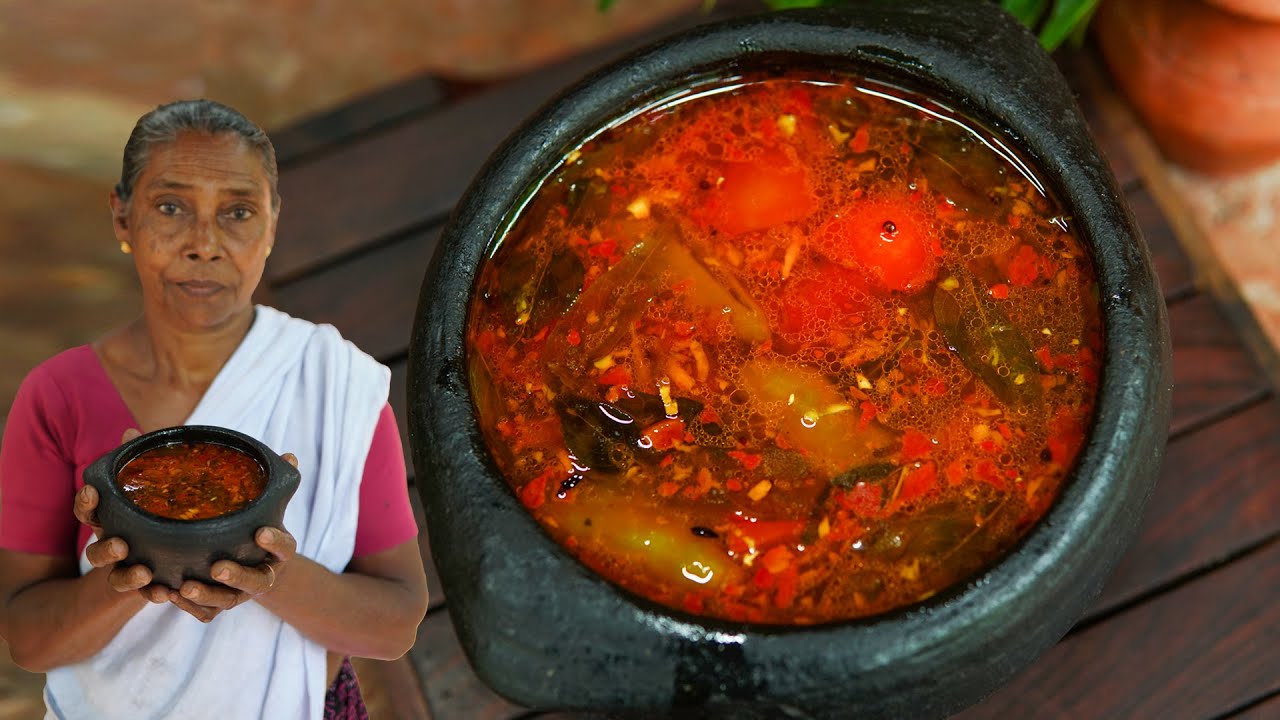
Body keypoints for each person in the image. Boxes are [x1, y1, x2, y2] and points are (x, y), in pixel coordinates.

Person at [0, 99, 429, 719]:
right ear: (122, 217)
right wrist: (132, 571)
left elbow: (394, 626)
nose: (204, 244)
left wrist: (268, 572)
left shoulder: (333, 383)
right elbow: (29, 639)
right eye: (170, 207)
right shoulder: (59, 395)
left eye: (237, 212)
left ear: (272, 224)